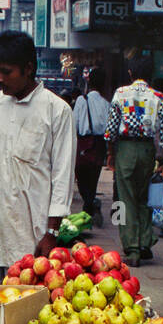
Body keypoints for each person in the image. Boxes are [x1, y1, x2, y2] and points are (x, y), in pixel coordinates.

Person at [0, 30, 77, 284]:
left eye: (6, 71)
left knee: (24, 312)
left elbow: (62, 177)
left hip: (30, 233)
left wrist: (51, 232)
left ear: (28, 68)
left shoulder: (57, 111)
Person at [105, 57, 163, 267]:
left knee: (126, 198)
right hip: (147, 149)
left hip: (125, 148)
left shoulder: (121, 93)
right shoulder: (158, 96)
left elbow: (111, 130)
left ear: (131, 73)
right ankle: (145, 243)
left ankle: (132, 248)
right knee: (143, 197)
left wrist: (111, 154)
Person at [73, 68, 110, 227]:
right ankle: (91, 205)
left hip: (82, 144)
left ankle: (88, 207)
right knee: (93, 180)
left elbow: (73, 125)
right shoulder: (106, 104)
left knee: (82, 179)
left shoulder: (82, 100)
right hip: (99, 145)